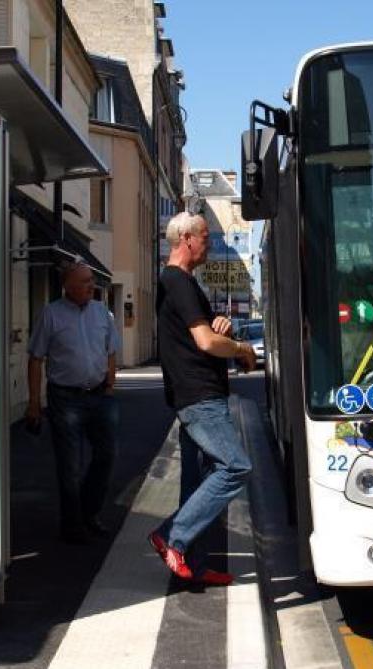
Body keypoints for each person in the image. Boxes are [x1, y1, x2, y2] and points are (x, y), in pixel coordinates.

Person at [148, 212, 257, 586]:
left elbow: (205, 334)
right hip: (200, 397)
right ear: (187, 239)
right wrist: (241, 347)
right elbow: (206, 343)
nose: (209, 242)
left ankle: (192, 566)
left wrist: (221, 325)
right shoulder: (178, 281)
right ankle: (172, 536)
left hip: (194, 395)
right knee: (235, 467)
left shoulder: (180, 284)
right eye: (206, 236)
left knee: (198, 482)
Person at [26, 261, 121, 545]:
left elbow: (111, 349)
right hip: (65, 399)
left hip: (99, 396)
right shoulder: (51, 314)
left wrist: (111, 381)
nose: (91, 286)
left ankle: (89, 512)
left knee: (106, 456)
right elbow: (35, 359)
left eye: (92, 280)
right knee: (70, 465)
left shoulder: (103, 313)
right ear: (67, 285)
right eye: (84, 282)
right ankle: (72, 524)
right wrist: (33, 402)